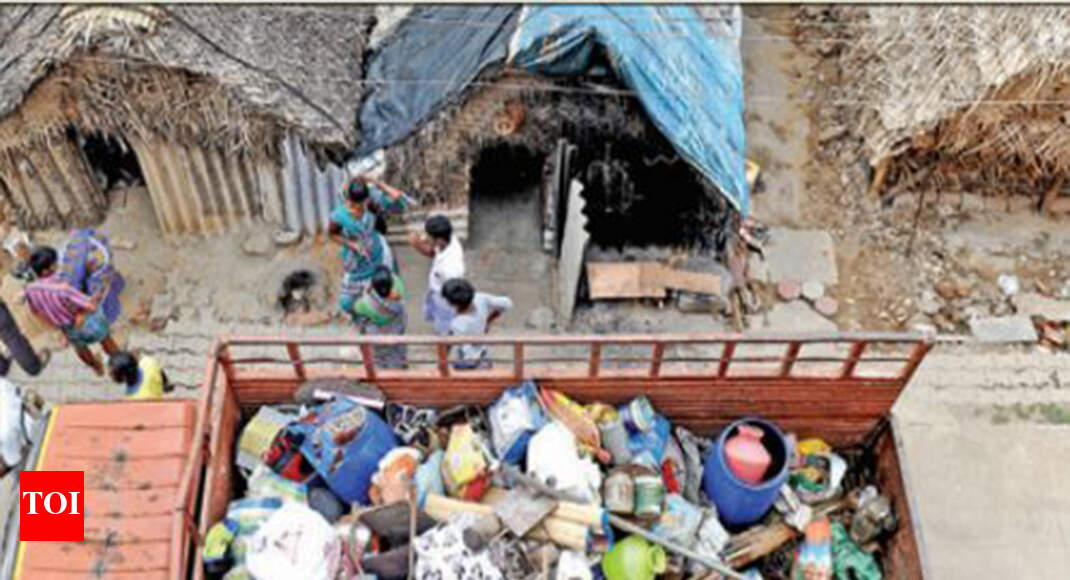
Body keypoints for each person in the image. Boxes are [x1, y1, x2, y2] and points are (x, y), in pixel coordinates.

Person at [23, 247, 119, 375]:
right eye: (54, 264)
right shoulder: (63, 289)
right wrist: (99, 293)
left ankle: (97, 367)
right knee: (105, 339)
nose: (57, 265)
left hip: (66, 327)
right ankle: (119, 364)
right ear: (46, 271)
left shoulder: (30, 290)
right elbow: (91, 306)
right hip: (85, 321)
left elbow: (36, 312)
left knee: (81, 348)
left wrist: (57, 327)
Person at [329, 175, 410, 316]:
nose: (355, 208)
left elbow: (398, 199)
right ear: (347, 200)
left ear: (366, 200)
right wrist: (351, 244)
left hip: (378, 255)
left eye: (359, 204)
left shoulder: (372, 205)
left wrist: (375, 181)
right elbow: (332, 234)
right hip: (356, 262)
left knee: (389, 289)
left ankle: (386, 311)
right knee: (347, 303)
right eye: (352, 204)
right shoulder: (339, 215)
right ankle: (365, 316)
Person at [56, 228, 126, 325]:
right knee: (106, 277)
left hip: (97, 258)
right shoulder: (61, 264)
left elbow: (78, 298)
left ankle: (109, 314)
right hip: (94, 242)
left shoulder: (69, 278)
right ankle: (117, 284)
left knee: (100, 289)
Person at [410, 215, 465, 335]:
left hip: (445, 299)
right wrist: (418, 243)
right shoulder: (447, 240)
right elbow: (432, 251)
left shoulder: (452, 268)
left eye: (429, 237)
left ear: (439, 240)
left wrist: (418, 246)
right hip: (436, 289)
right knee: (438, 320)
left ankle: (445, 344)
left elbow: (454, 292)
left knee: (444, 329)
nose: (426, 238)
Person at [441, 278, 513, 369]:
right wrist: (489, 319)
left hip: (467, 361)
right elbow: (507, 303)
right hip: (484, 355)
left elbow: (448, 344)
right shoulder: (481, 298)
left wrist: (442, 361)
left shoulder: (458, 324)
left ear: (453, 304)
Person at [351, 266, 408, 369]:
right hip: (396, 333)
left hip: (377, 338)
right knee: (396, 356)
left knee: (378, 360)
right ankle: (398, 370)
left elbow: (355, 308)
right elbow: (396, 281)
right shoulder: (398, 295)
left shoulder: (366, 305)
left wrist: (367, 292)